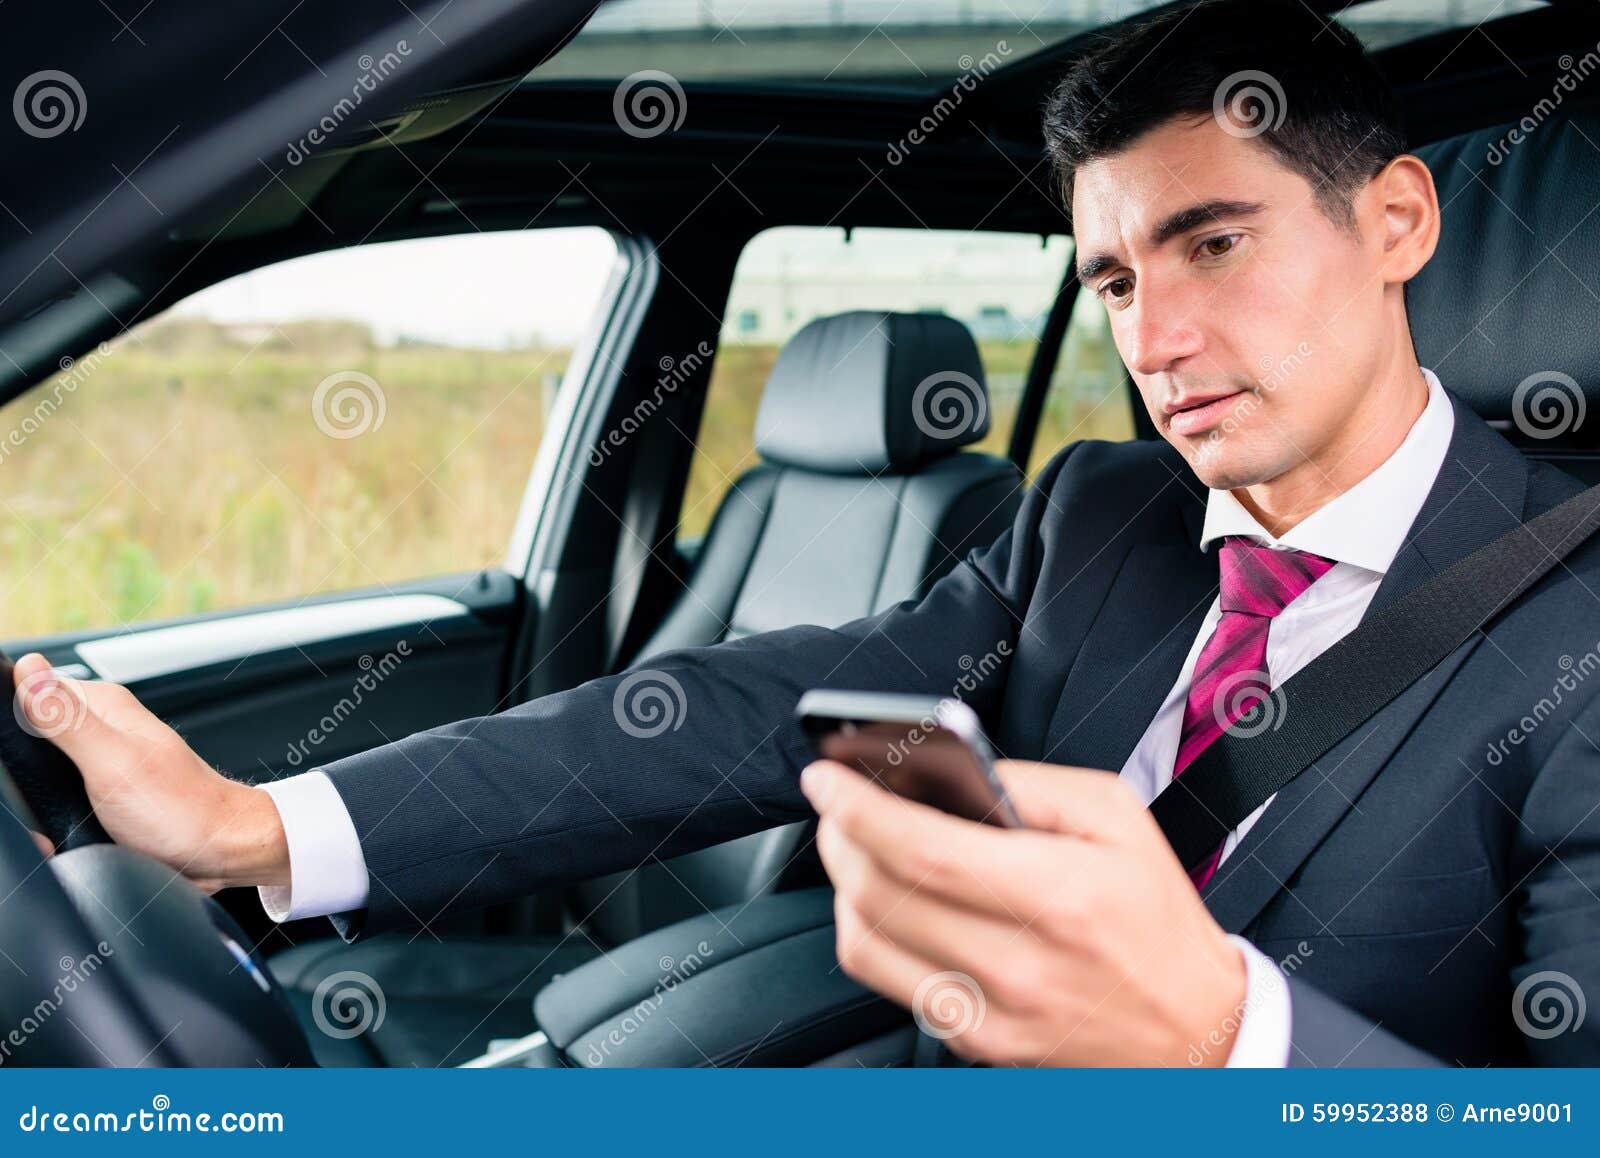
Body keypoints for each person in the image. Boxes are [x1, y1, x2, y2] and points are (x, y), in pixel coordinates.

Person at [12, 0, 1600, 1066]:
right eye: (1114, 280)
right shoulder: (1099, 518)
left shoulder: (1573, 633)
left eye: (1214, 240)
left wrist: (1228, 1034)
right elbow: (731, 713)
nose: (1157, 335)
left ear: (1395, 220)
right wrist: (257, 827)